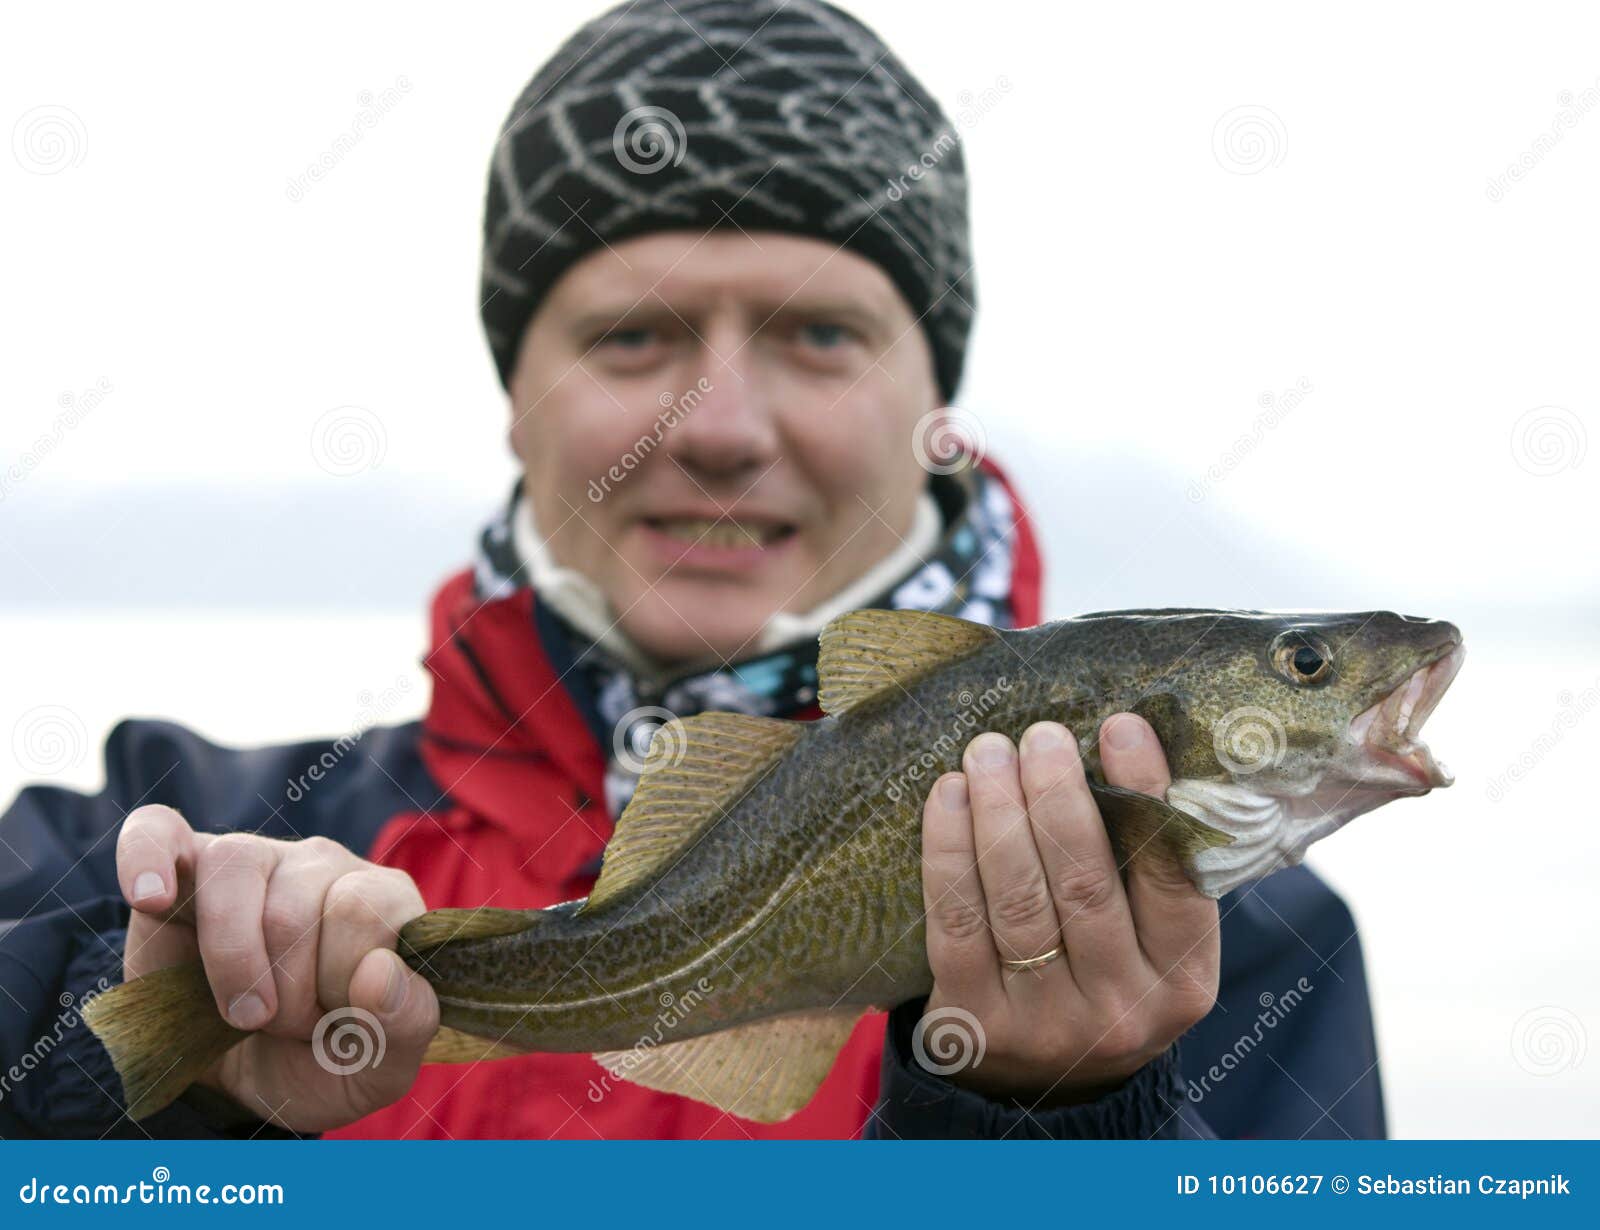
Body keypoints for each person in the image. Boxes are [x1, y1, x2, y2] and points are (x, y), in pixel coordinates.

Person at [0, 0, 1384, 1140]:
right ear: (513, 394)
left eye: (821, 335)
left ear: (938, 404)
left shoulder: (1244, 950)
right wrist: (148, 1087)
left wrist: (1061, 1122)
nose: (716, 426)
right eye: (632, 338)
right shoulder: (134, 850)